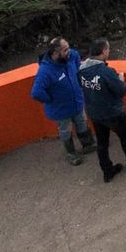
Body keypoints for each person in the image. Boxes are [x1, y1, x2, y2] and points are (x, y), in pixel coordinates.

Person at [80, 39, 126, 183]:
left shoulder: (81, 70)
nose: (109, 51)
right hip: (112, 112)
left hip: (94, 113)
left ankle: (107, 171)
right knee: (125, 137)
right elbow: (121, 91)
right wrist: (120, 79)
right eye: (108, 49)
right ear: (103, 52)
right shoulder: (106, 72)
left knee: (102, 143)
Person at [30, 37, 95, 166]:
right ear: (55, 52)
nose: (69, 51)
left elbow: (77, 66)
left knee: (82, 122)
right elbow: (36, 93)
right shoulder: (45, 71)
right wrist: (51, 100)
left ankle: (88, 144)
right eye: (65, 50)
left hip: (77, 102)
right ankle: (71, 153)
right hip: (61, 109)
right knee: (65, 130)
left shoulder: (71, 57)